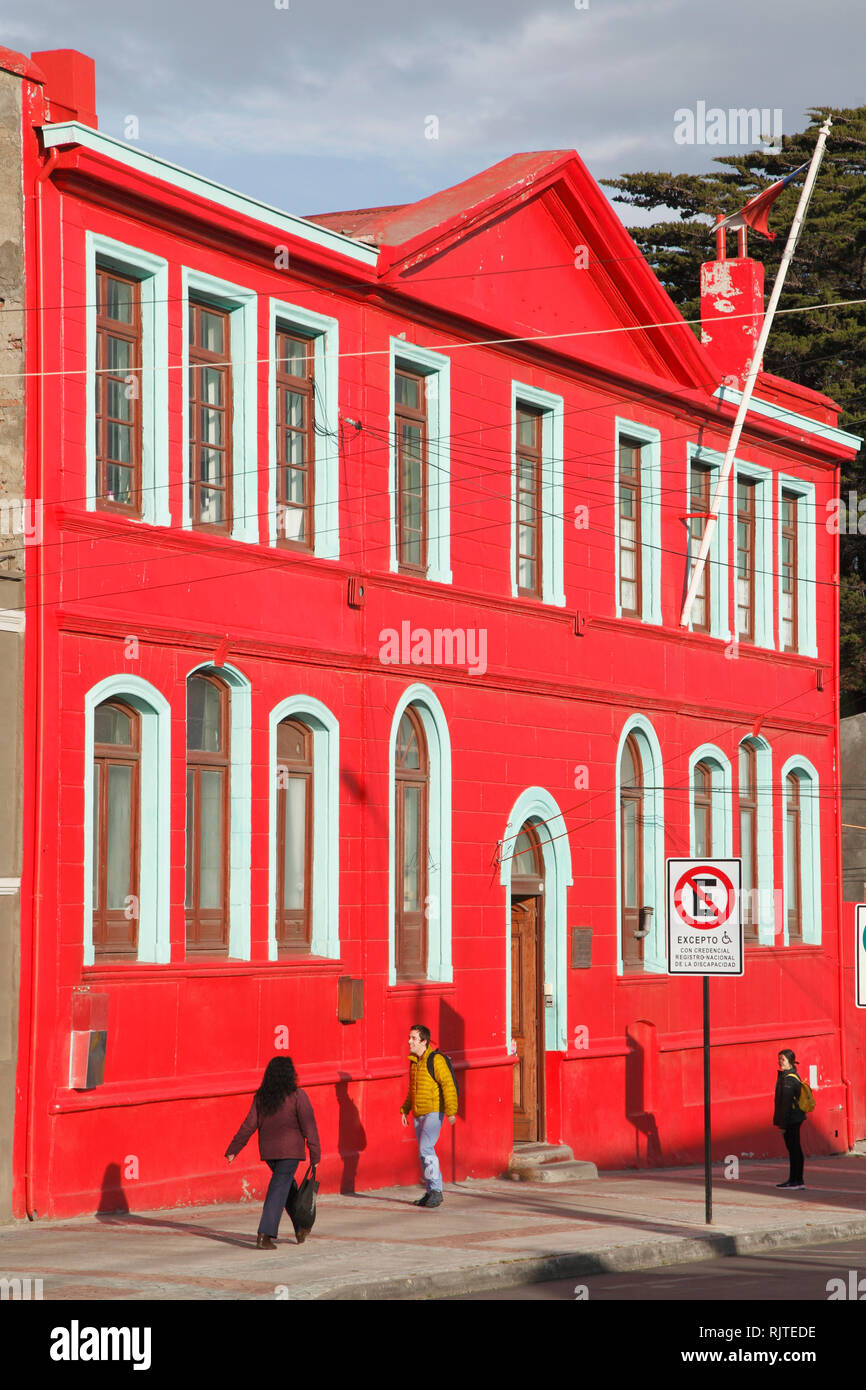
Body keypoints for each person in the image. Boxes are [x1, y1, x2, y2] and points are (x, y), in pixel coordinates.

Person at [226, 1055, 321, 1248]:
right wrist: (315, 1154)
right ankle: (265, 1234)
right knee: (279, 1188)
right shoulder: (297, 1095)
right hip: (290, 1152)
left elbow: (249, 1125)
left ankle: (301, 1227)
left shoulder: (262, 1097)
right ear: (290, 1074)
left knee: (286, 1187)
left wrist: (234, 1148)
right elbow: (309, 1126)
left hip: (269, 1152)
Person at [400, 1024, 458, 1208]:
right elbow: (413, 1090)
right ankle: (430, 1189)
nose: (409, 1041)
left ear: (424, 1041)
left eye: (414, 1038)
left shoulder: (436, 1060)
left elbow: (448, 1084)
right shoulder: (414, 1062)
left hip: (434, 1111)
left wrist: (451, 1111)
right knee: (423, 1154)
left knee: (426, 1150)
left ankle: (437, 1190)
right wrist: (405, 1109)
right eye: (409, 1037)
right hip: (419, 1113)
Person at [773, 1048, 807, 1190]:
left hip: (791, 1120)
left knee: (793, 1150)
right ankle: (797, 1180)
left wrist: (783, 1125)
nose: (780, 1062)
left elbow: (785, 1105)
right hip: (795, 1118)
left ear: (790, 1061)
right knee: (795, 1149)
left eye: (783, 1059)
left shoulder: (788, 1080)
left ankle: (794, 1181)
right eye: (779, 1059)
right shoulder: (792, 1076)